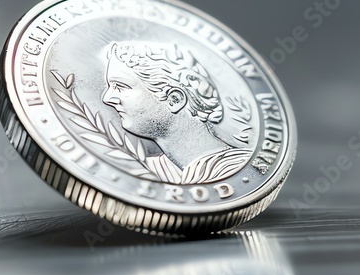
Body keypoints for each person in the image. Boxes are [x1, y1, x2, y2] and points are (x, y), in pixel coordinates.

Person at [101, 42, 251, 185]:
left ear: (175, 100)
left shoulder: (239, 170)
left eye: (120, 86)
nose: (107, 98)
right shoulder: (152, 169)